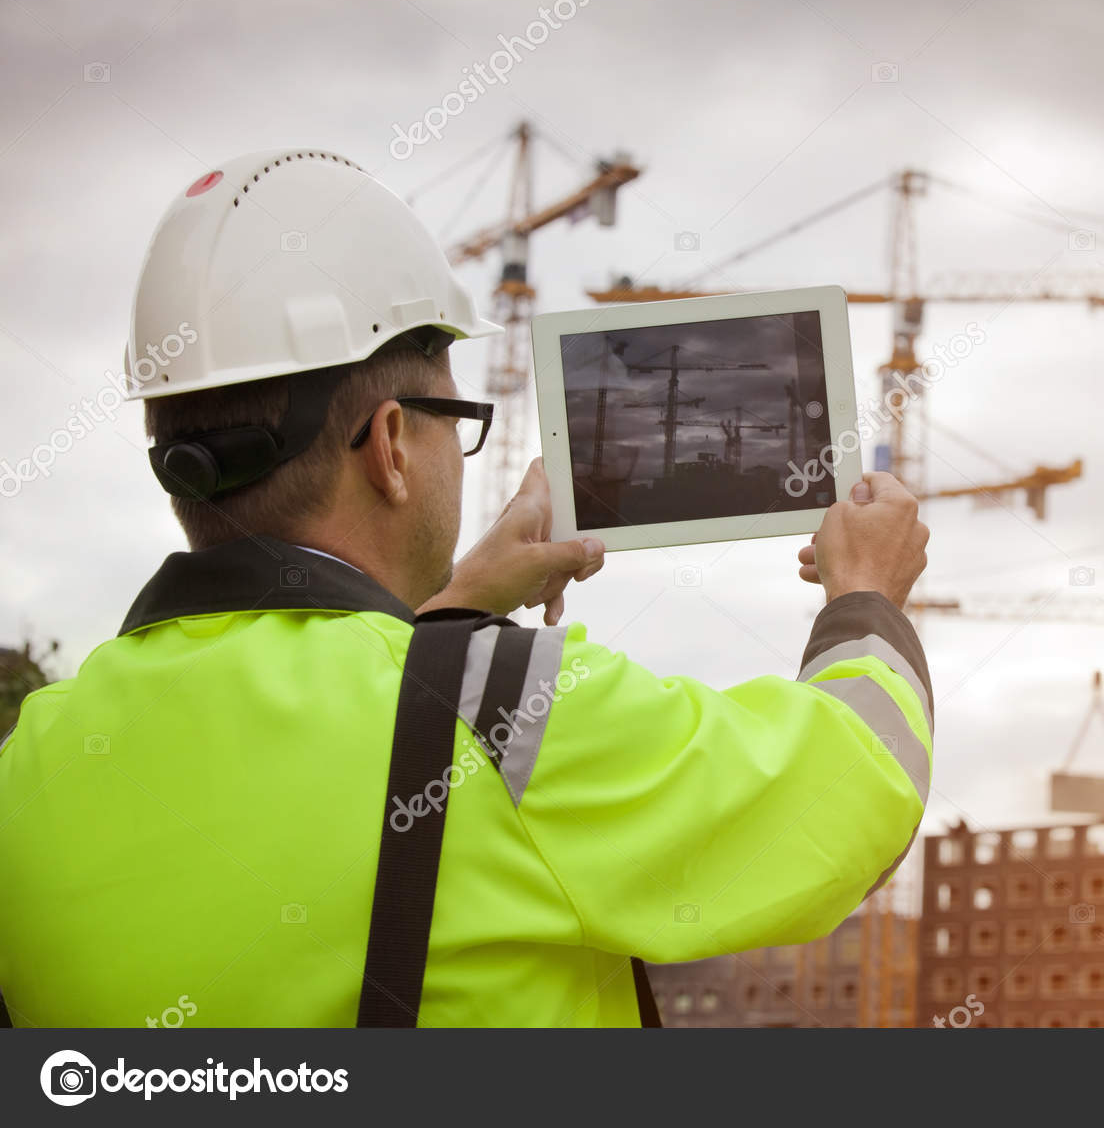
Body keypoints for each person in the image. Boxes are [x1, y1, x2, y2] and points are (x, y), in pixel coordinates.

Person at [0, 149, 932, 1027]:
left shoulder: (34, 758)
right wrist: (867, 595)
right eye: (460, 418)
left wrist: (450, 617)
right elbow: (852, 791)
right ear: (393, 445)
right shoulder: (506, 712)